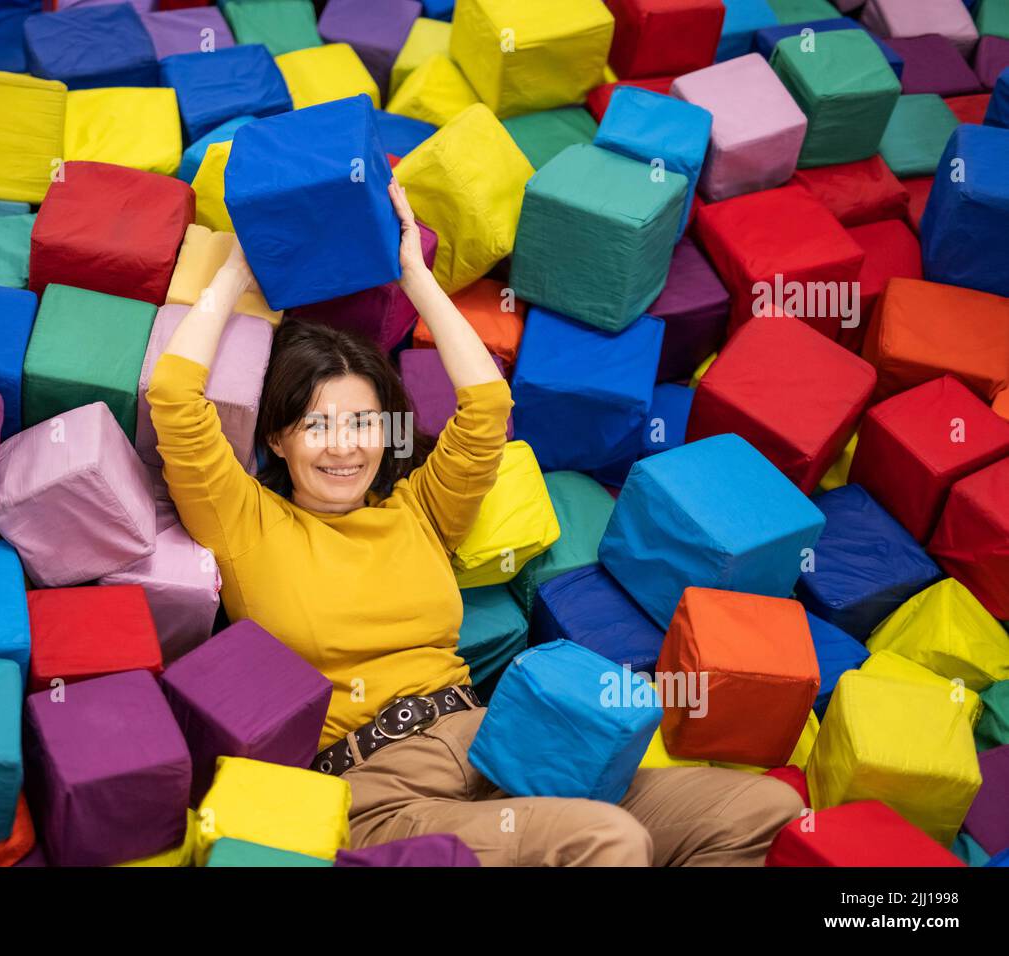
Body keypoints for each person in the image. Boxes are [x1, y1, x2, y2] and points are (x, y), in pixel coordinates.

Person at [146, 179, 803, 866]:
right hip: (381, 791)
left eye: (364, 422)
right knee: (609, 841)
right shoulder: (249, 520)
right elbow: (174, 399)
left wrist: (415, 278)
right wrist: (233, 276)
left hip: (506, 740)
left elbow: (485, 405)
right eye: (317, 425)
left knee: (764, 810)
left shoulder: (419, 510)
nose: (344, 445)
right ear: (277, 439)